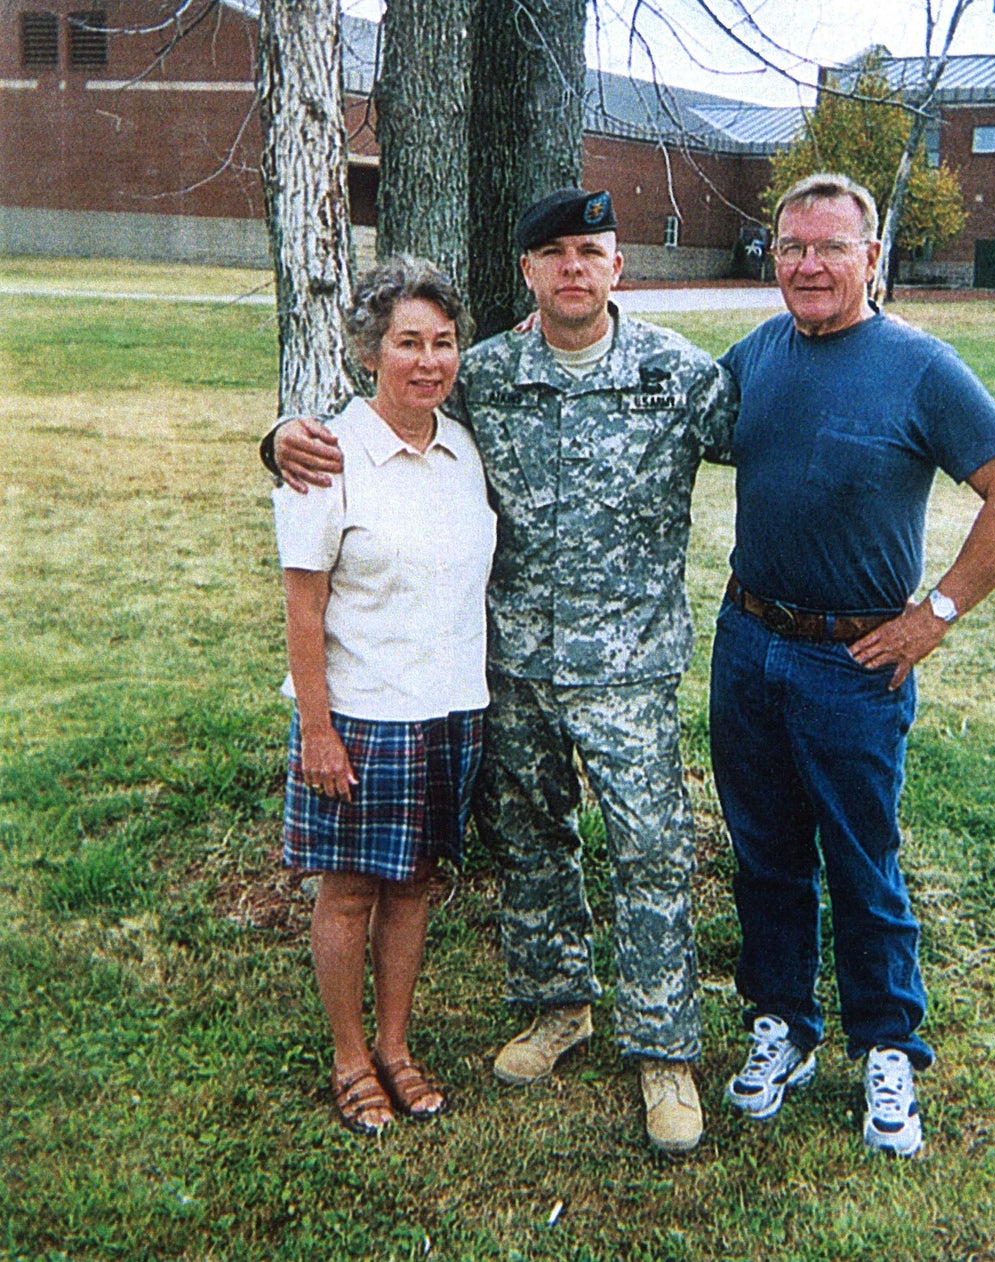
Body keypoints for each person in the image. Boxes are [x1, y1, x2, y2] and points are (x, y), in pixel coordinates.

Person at [263, 189, 737, 1154]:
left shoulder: (681, 376)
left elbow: (781, 445)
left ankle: (664, 1054)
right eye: (553, 253)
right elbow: (373, 416)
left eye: (592, 251)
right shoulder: (483, 375)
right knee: (531, 843)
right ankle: (557, 1006)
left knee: (649, 853)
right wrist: (274, 439)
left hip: (629, 669)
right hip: (508, 672)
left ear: (620, 266)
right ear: (527, 273)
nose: (573, 268)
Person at [711, 173, 995, 1155]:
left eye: (829, 247)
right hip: (749, 642)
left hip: (854, 662)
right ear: (771, 257)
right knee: (765, 848)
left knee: (862, 856)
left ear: (871, 257)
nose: (808, 265)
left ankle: (886, 1041)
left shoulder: (920, 368)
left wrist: (934, 612)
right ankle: (783, 1019)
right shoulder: (755, 356)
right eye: (790, 247)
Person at [272, 257, 495, 1136]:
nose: (429, 361)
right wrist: (317, 730)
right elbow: (303, 604)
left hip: (449, 711)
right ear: (370, 351)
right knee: (352, 894)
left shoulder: (461, 447)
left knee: (416, 888)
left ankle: (397, 1047)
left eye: (443, 343)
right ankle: (349, 1058)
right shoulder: (327, 457)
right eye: (408, 342)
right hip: (361, 718)